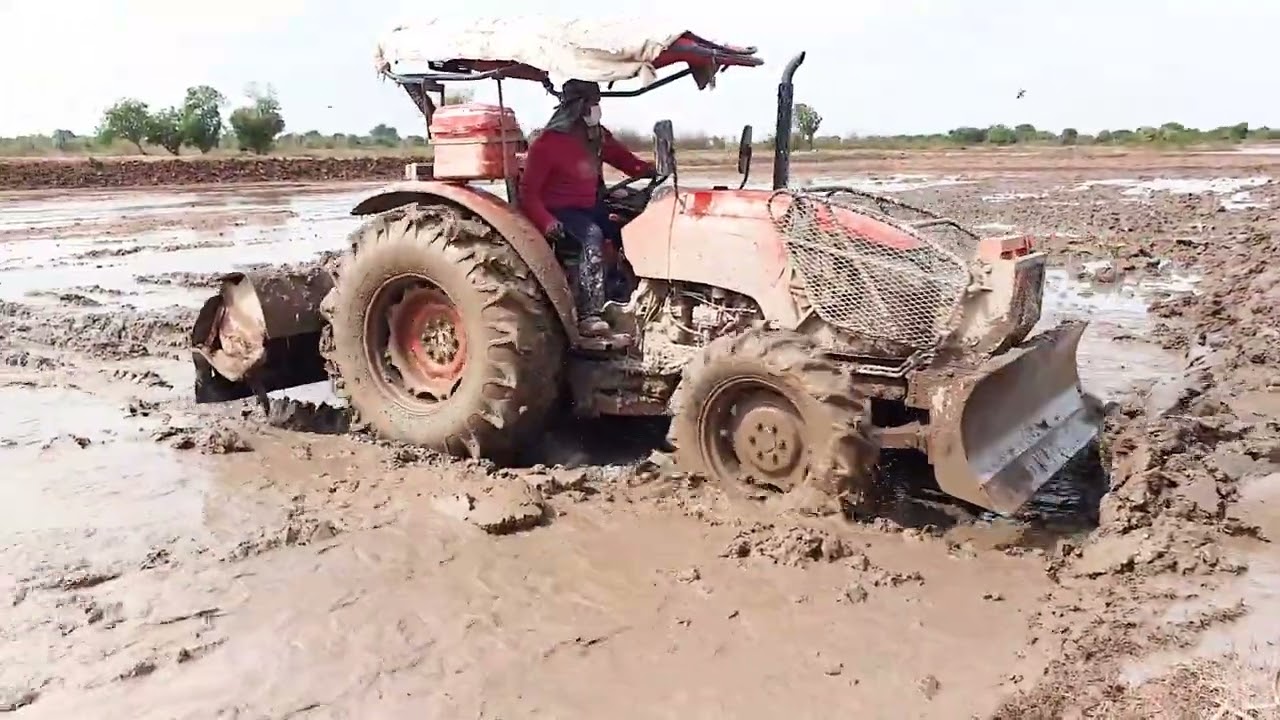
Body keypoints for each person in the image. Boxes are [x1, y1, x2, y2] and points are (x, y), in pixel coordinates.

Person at [518, 79, 656, 338]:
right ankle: (589, 313)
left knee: (628, 227)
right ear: (578, 106)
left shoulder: (597, 137)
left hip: (590, 207)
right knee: (590, 236)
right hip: (561, 211)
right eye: (593, 104)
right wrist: (547, 222)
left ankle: (626, 293)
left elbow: (624, 159)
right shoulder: (548, 144)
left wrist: (648, 170)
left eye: (597, 103)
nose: (597, 109)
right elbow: (529, 194)